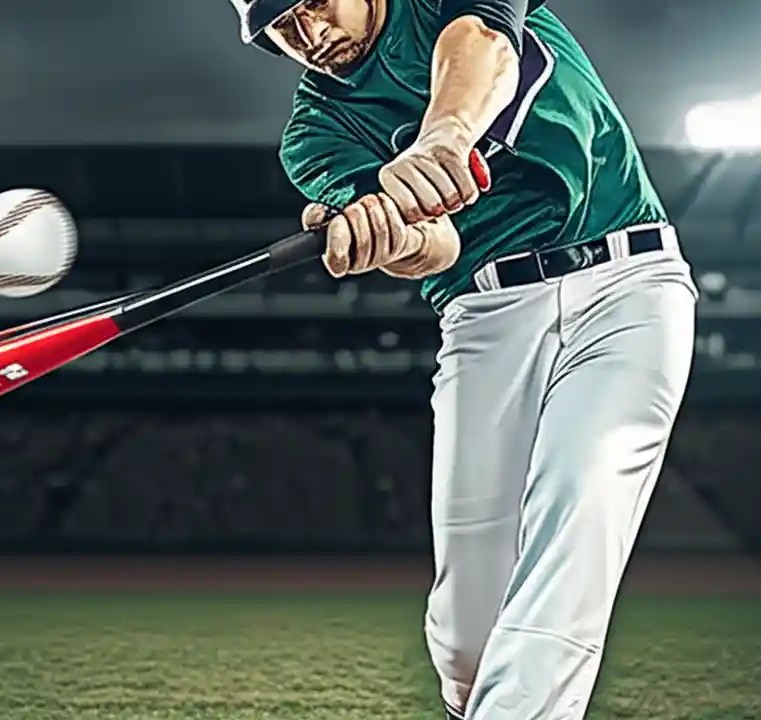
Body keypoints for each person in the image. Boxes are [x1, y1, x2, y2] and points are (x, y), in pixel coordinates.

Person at [230, 1, 700, 718]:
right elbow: (438, 250)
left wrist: (443, 137)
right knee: (465, 636)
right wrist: (387, 237)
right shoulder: (314, 134)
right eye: (283, 27)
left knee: (580, 501)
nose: (311, 34)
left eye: (316, 1)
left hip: (628, 285)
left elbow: (483, 41)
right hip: (485, 317)